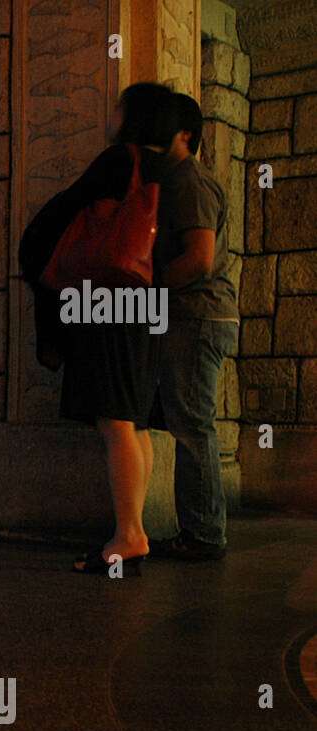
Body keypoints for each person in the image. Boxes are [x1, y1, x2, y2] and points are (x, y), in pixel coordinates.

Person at [18, 83, 180, 575]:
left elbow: (69, 210)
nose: (111, 116)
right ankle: (135, 530)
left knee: (115, 420)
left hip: (111, 300)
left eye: (118, 108)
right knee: (136, 419)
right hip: (147, 302)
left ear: (133, 118)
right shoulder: (169, 171)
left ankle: (129, 534)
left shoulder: (121, 161)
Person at [149, 94, 239, 560]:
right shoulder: (182, 181)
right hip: (196, 315)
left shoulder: (190, 182)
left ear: (185, 133)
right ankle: (200, 530)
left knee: (192, 426)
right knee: (190, 422)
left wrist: (151, 287)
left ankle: (202, 534)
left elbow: (199, 259)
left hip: (196, 315)